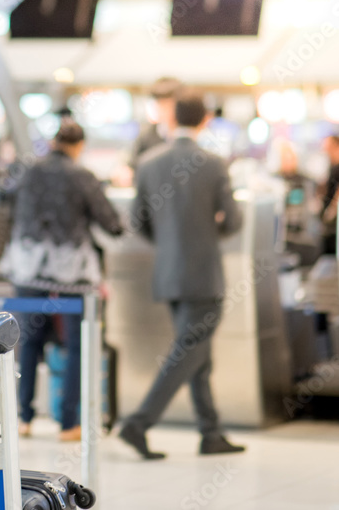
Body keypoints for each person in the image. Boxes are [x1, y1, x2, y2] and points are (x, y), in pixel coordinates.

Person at [118, 89, 245, 460]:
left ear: (173, 119)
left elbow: (137, 222)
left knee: (196, 354)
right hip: (203, 273)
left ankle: (211, 432)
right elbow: (234, 220)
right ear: (205, 120)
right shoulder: (214, 163)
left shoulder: (148, 163)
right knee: (188, 352)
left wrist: (168, 243)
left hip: (168, 273)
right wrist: (209, 236)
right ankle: (139, 423)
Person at [0, 120, 123, 442]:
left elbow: (3, 200)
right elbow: (112, 224)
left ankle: (23, 418)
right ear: (79, 146)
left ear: (54, 141)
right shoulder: (82, 176)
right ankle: (68, 424)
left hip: (26, 265)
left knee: (27, 342)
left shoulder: (28, 170)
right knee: (76, 346)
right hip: (72, 272)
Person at [128, 76, 182, 174]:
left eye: (170, 104)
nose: (167, 110)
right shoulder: (146, 137)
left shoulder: (187, 134)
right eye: (161, 104)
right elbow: (132, 166)